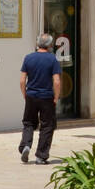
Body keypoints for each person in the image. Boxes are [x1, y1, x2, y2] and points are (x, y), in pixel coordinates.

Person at [19, 33, 62, 164]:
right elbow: (57, 81)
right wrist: (56, 96)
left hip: (31, 95)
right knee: (47, 125)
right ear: (49, 45)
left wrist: (25, 94)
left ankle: (26, 145)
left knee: (29, 123)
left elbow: (22, 80)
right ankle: (41, 156)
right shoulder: (52, 59)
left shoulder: (28, 58)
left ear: (37, 43)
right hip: (47, 96)